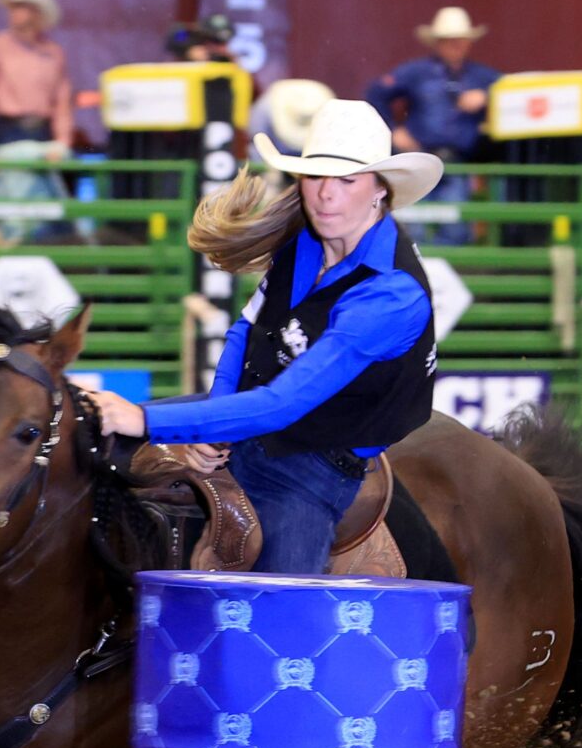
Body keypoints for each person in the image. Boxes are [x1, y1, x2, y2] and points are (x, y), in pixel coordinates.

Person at [85, 100, 443, 575]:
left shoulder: (391, 296)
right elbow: (247, 330)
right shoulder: (305, 241)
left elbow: (283, 405)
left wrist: (146, 419)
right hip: (252, 416)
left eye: (346, 180)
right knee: (92, 463)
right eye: (315, 177)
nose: (325, 195)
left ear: (380, 189)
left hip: (313, 465)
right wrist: (217, 419)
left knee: (278, 601)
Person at [366, 6, 500, 246]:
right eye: (449, 40)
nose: (455, 45)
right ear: (437, 43)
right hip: (420, 158)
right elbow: (377, 92)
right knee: (413, 225)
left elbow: (512, 92)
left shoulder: (482, 77)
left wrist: (488, 97)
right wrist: (393, 130)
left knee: (455, 227)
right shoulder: (416, 72)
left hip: (458, 161)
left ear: (468, 42)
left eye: (460, 39)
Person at [0, 0, 72, 242]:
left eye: (22, 7)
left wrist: (62, 141)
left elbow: (62, 101)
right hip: (8, 130)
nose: (16, 13)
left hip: (42, 132)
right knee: (12, 192)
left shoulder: (54, 53)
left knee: (42, 196)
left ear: (36, 13)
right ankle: (12, 239)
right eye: (13, 7)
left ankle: (33, 242)